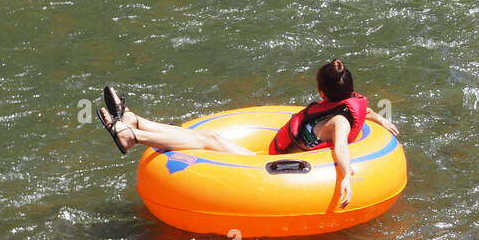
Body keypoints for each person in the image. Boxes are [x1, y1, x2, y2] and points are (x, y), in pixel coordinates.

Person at [97, 58, 399, 207]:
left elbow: (342, 147)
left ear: (321, 90)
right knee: (209, 139)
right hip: (267, 158)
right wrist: (380, 120)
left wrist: (346, 176)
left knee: (209, 140)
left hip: (271, 174)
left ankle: (133, 135)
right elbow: (361, 109)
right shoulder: (346, 105)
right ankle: (135, 121)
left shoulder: (338, 122)